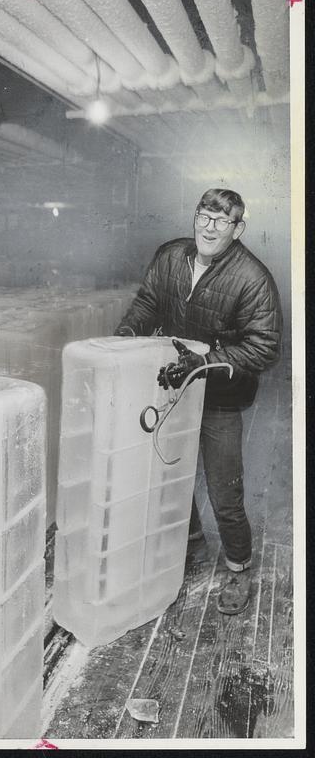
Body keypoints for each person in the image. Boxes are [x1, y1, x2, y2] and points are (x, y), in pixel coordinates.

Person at [115, 188, 283, 615]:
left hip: (219, 397)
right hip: (173, 387)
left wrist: (206, 360)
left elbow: (263, 347)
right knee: (170, 474)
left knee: (224, 492)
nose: (209, 227)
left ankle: (239, 568)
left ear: (238, 228)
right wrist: (130, 334)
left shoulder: (252, 278)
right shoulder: (172, 256)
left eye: (221, 221)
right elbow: (148, 303)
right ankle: (193, 546)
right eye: (203, 217)